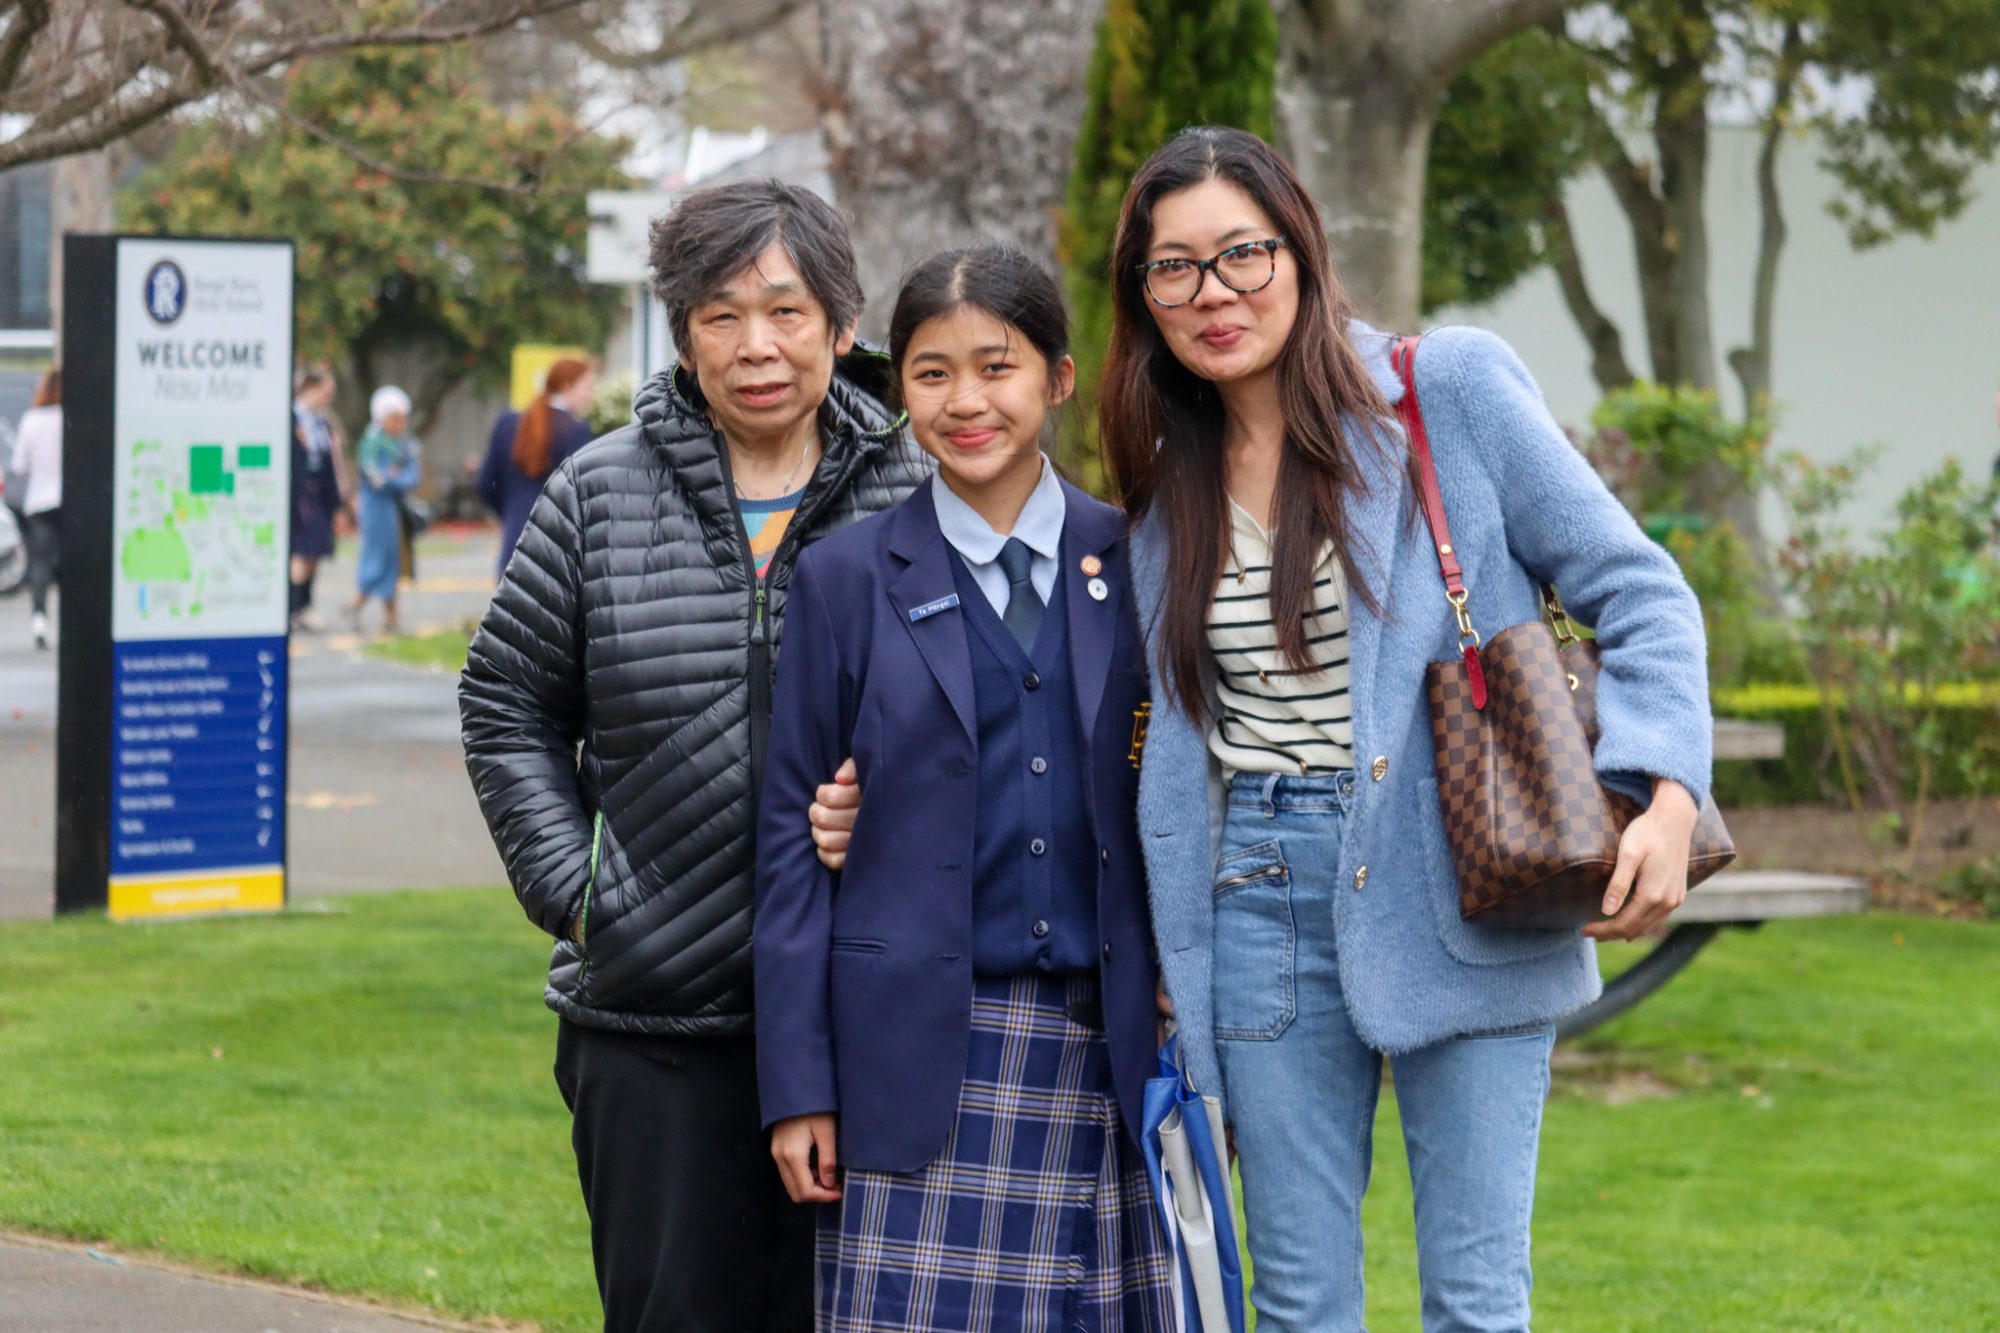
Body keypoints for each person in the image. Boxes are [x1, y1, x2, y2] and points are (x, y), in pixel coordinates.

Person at [810, 127, 1713, 1333]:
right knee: (1292, 1300)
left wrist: (1662, 787)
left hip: (1468, 878)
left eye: (1241, 254)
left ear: (1299, 248)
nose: (1212, 293)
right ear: (1140, 296)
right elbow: (1103, 727)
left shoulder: (1441, 390)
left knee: (1474, 1299)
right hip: (1255, 899)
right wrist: (890, 803)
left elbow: (1636, 589)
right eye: (1171, 269)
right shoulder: (1160, 479)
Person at [456, 178, 930, 1333]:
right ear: (681, 335)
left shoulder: (921, 494)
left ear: (840, 323)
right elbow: (505, 701)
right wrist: (580, 896)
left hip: (866, 1024)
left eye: (783, 309)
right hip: (652, 1027)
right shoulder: (597, 492)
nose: (755, 346)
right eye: (719, 315)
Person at [756, 244, 1172, 1332]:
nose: (965, 401)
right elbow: (790, 844)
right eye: (932, 373)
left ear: (1058, 379)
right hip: (913, 1055)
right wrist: (797, 1082)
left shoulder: (1134, 561)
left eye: (997, 367)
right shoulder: (845, 579)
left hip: (1103, 1050)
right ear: (900, 392)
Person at [478, 357, 595, 576]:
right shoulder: (576, 432)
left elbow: (485, 484)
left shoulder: (506, 423)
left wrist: (512, 513)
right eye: (587, 387)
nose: (591, 395)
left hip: (513, 545)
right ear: (566, 386)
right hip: (556, 551)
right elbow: (581, 495)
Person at [349, 386, 422, 635]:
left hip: (393, 509)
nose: (401, 424)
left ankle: (388, 615)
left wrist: (394, 478)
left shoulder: (402, 444)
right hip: (375, 509)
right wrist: (395, 478)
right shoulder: (372, 443)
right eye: (395, 418)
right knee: (377, 558)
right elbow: (377, 479)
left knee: (392, 560)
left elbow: (410, 476)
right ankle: (360, 603)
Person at [289, 368, 347, 632]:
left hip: (318, 494)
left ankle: (305, 606)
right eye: (325, 393)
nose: (328, 399)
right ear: (309, 389)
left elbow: (330, 464)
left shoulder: (323, 423)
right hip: (298, 493)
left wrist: (337, 502)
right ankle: (293, 609)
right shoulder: (290, 418)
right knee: (300, 552)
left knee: (314, 552)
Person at [11, 367, 62, 650]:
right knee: (69, 566)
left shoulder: (32, 421)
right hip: (68, 504)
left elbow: (20, 465)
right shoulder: (72, 419)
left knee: (39, 566)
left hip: (39, 502)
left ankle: (40, 620)